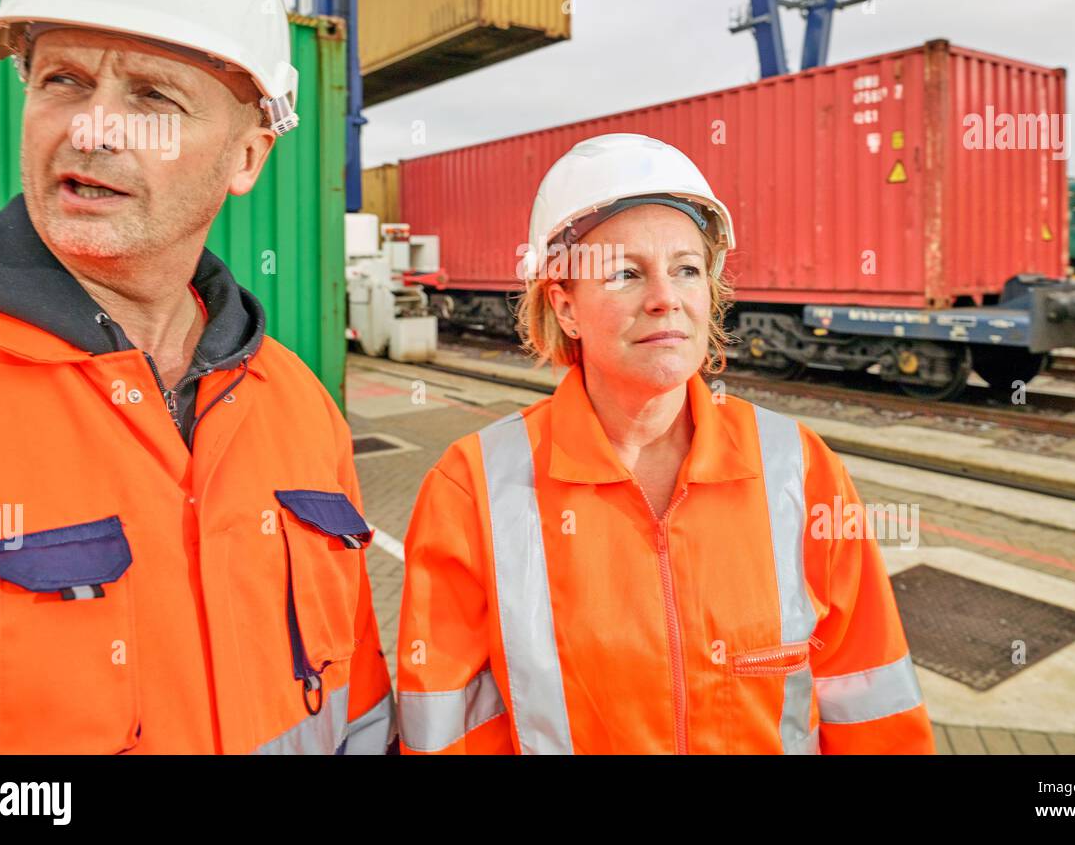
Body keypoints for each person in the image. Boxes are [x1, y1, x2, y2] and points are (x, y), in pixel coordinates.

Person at [0, 0, 394, 754]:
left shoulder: (299, 409)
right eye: (63, 79)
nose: (93, 129)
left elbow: (357, 715)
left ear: (247, 157)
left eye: (153, 96)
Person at [395, 132, 935, 754]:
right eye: (626, 273)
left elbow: (870, 702)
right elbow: (447, 731)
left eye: (685, 269)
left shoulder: (800, 469)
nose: (665, 300)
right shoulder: (474, 488)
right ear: (565, 306)